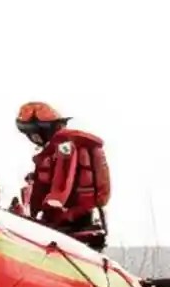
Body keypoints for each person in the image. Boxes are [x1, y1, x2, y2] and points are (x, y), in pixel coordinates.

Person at [10, 101, 111, 250]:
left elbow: (63, 179)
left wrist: (53, 203)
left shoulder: (65, 147)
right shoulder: (59, 149)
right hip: (76, 218)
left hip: (69, 221)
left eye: (32, 135)